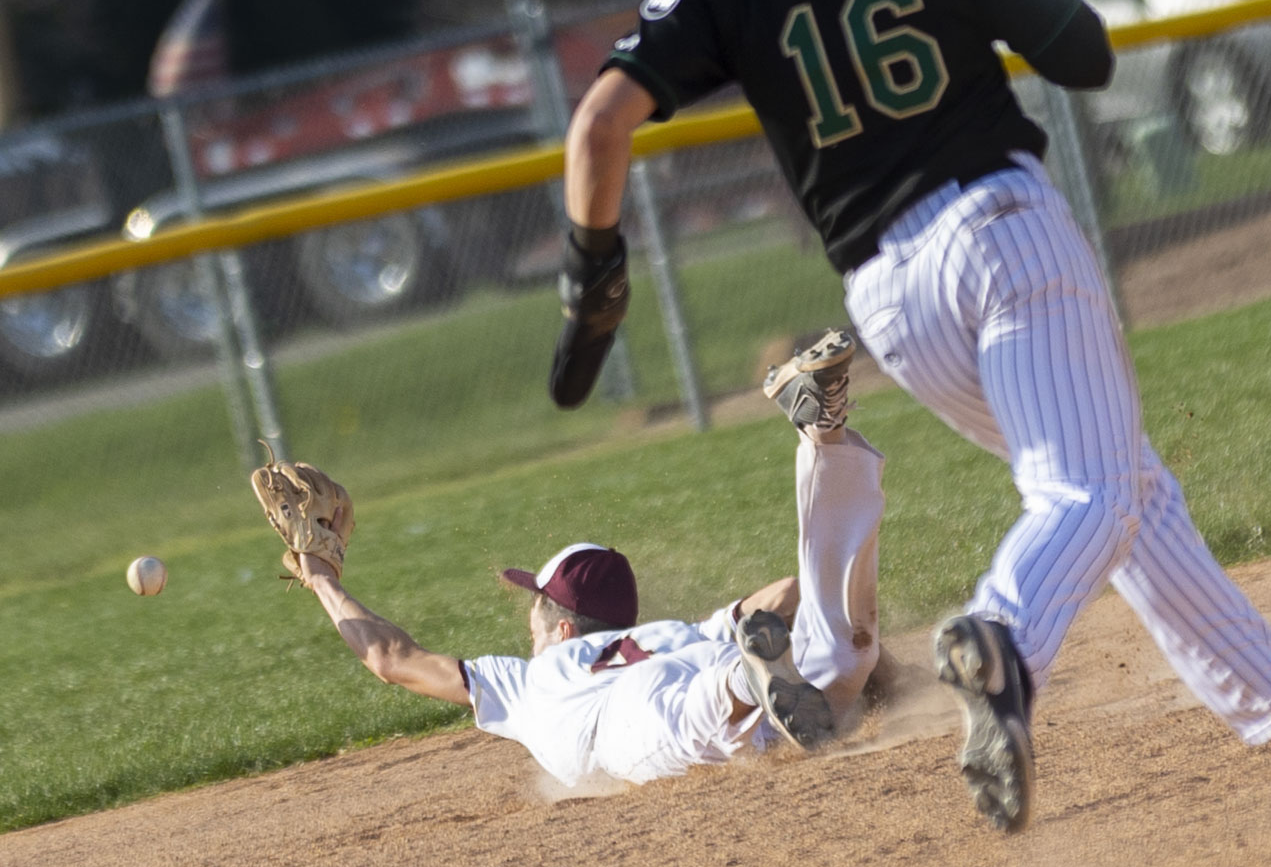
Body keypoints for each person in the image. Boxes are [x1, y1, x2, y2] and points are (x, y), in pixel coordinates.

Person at [548, 0, 1271, 830]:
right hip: (1002, 235)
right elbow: (1080, 53)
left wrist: (592, 275)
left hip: (890, 302)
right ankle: (1001, 639)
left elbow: (598, 126)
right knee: (1089, 490)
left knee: (1123, 489)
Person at [300, 331, 884, 786]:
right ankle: (823, 437)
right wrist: (796, 601)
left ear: (560, 626)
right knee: (840, 646)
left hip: (636, 717)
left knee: (681, 727)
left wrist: (320, 577)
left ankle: (745, 681)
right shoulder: (668, 633)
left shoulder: (530, 680)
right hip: (705, 660)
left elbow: (392, 658)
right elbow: (783, 591)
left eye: (533, 606)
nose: (526, 624)